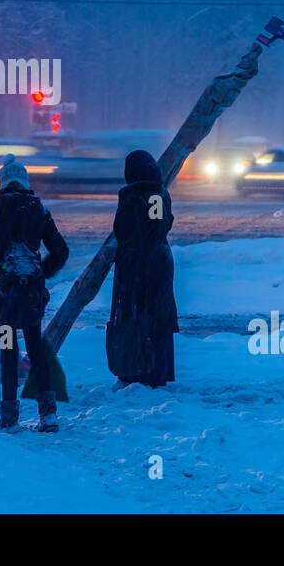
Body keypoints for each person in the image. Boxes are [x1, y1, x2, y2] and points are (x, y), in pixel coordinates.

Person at [0, 154, 69, 431]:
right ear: (25, 181)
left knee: (7, 350)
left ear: (2, 182)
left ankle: (9, 416)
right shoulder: (38, 210)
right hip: (31, 296)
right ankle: (48, 414)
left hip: (4, 297)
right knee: (36, 348)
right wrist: (41, 272)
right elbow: (60, 250)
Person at [107, 150, 178, 389]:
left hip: (145, 265)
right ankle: (147, 370)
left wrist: (138, 254)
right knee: (151, 316)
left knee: (145, 316)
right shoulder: (155, 193)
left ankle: (145, 373)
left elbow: (152, 228)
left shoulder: (149, 195)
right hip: (154, 262)